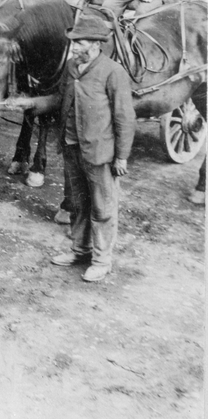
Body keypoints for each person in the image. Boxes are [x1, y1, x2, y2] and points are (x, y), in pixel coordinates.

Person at [49, 14, 136, 283]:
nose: (73, 48)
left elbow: (124, 117)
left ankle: (101, 260)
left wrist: (121, 155)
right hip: (72, 148)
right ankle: (79, 250)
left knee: (102, 207)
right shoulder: (72, 68)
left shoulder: (113, 72)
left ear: (96, 45)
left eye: (79, 43)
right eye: (73, 43)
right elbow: (59, 102)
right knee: (78, 203)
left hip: (101, 154)